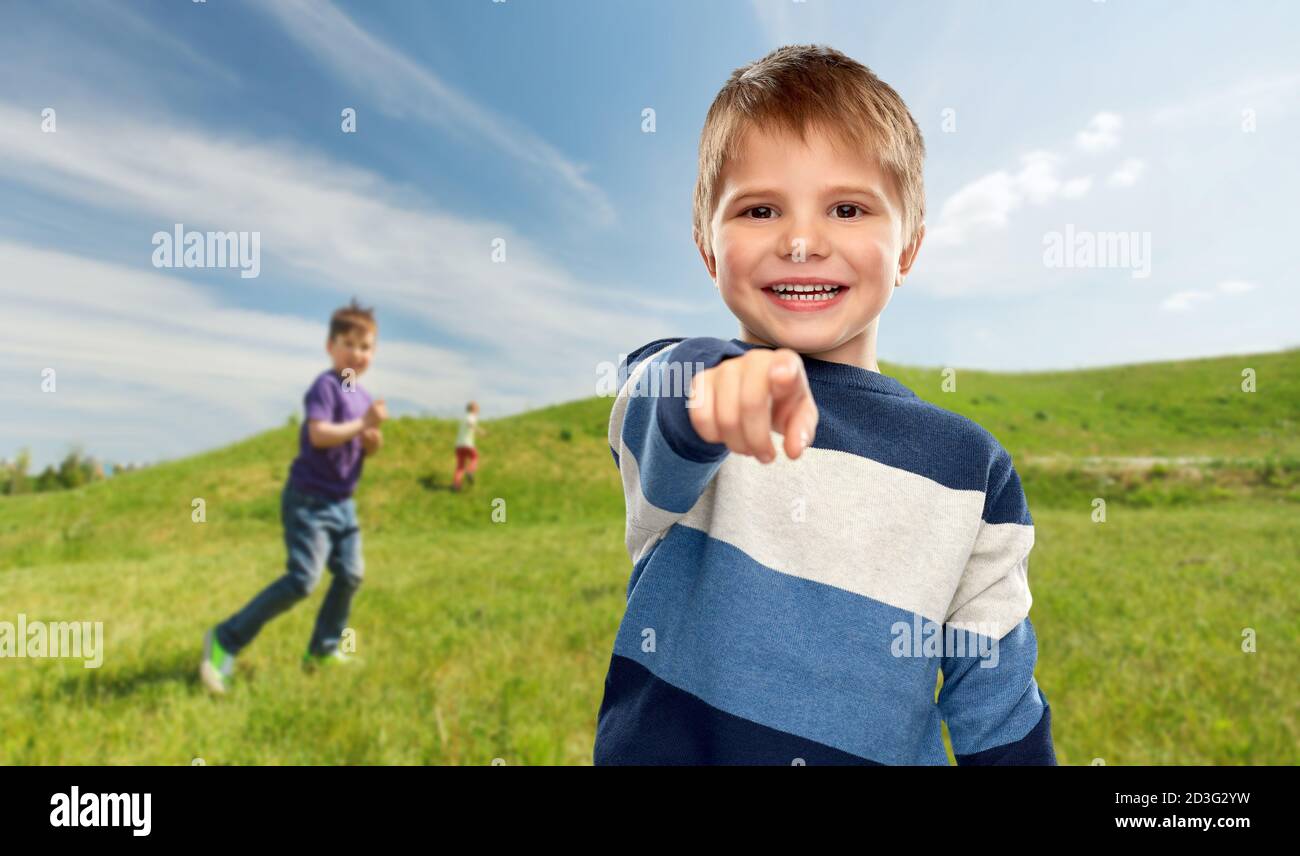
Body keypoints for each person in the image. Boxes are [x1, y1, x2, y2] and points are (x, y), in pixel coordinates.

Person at [594, 45, 1056, 765]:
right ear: (707, 248)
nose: (802, 241)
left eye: (847, 208)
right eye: (760, 209)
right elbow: (665, 402)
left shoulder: (971, 468)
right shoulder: (678, 390)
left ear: (908, 249)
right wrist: (716, 390)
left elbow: (995, 701)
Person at [201, 299, 387, 693]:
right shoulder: (325, 386)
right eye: (349, 344)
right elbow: (319, 434)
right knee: (303, 580)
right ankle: (225, 639)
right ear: (330, 347)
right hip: (310, 501)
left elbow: (364, 447)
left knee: (352, 574)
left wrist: (371, 439)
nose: (358, 353)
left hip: (343, 504)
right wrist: (361, 425)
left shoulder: (363, 397)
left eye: (366, 347)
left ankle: (323, 648)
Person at [451, 401, 486, 492]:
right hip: (467, 444)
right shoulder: (471, 416)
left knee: (460, 466)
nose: (478, 409)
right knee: (475, 457)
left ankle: (456, 485)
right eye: (477, 408)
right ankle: (470, 471)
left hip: (458, 446)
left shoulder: (464, 417)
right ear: (473, 409)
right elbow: (470, 424)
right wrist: (480, 431)